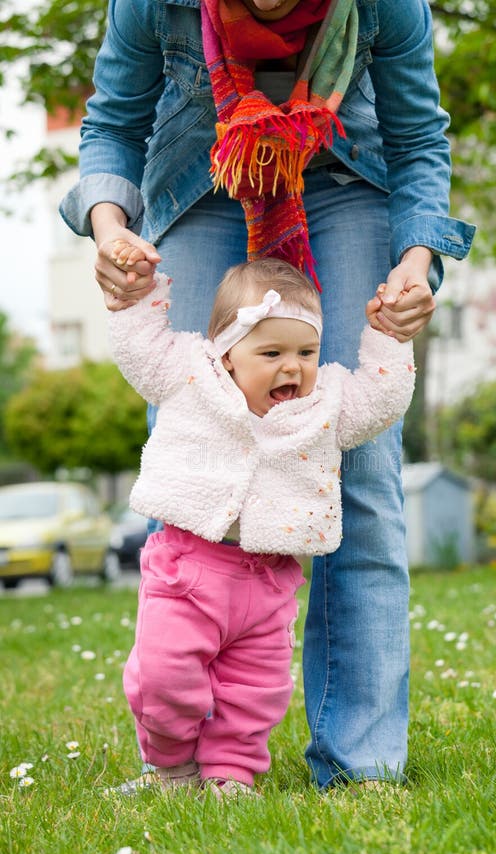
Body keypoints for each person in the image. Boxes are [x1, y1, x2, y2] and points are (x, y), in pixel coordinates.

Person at [59, 0, 475, 789]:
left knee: (362, 468)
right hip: (201, 181)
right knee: (193, 441)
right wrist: (111, 227)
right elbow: (112, 122)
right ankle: (180, 759)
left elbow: (421, 141)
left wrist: (416, 265)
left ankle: (363, 765)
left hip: (350, 181)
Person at [106, 253, 416, 795]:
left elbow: (384, 399)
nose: (292, 367)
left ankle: (231, 776)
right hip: (186, 570)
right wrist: (139, 294)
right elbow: (138, 350)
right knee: (162, 678)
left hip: (267, 583)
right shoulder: (189, 376)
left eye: (306, 352)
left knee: (253, 692)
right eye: (271, 353)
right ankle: (171, 768)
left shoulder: (325, 404)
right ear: (227, 354)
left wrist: (389, 334)